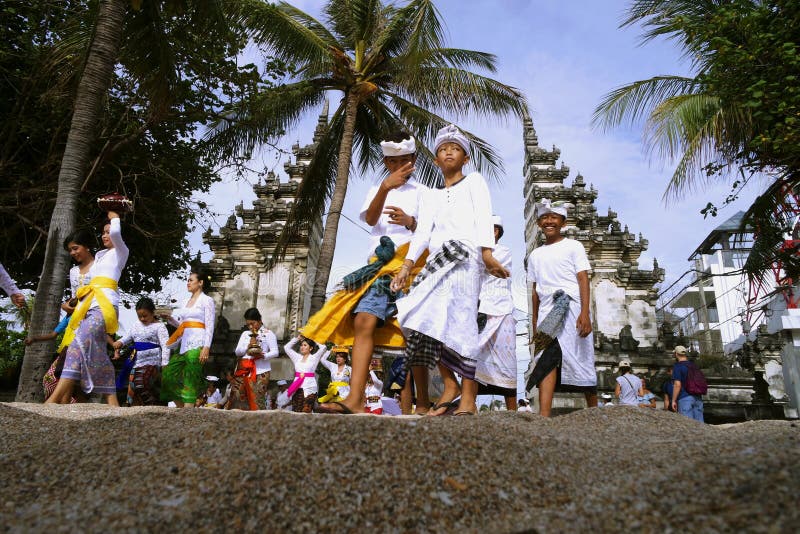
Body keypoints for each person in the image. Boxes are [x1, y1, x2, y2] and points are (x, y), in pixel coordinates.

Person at [309, 130, 430, 415]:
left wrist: (410, 221)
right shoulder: (378, 189)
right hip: (379, 267)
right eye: (391, 160)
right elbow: (372, 218)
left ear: (413, 159)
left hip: (413, 264)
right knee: (363, 320)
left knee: (418, 332)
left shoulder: (426, 194)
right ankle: (355, 399)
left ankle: (423, 401)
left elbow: (430, 233)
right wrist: (385, 188)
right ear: (385, 161)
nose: (397, 165)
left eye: (403, 159)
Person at [392, 124, 509, 417]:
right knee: (416, 316)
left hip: (466, 258)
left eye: (455, 149)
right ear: (435, 159)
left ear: (465, 158)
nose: (448, 153)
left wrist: (487, 253)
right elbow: (423, 234)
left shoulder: (475, 182)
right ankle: (449, 384)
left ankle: (467, 396)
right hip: (436, 262)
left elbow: (483, 216)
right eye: (443, 149)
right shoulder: (429, 196)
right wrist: (407, 265)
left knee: (462, 323)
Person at [46, 213, 129, 405]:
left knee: (76, 346)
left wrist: (115, 217)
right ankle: (113, 403)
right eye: (103, 233)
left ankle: (54, 399)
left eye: (108, 232)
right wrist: (72, 304)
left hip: (105, 306)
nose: (105, 236)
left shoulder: (120, 252)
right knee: (99, 357)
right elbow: (84, 288)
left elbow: (116, 234)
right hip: (89, 307)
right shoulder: (99, 257)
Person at [526, 199, 597, 417]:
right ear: (539, 223)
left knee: (580, 359)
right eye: (544, 218)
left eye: (553, 218)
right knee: (545, 359)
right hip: (547, 314)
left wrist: (585, 313)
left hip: (572, 309)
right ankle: (544, 415)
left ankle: (595, 411)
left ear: (562, 223)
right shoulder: (535, 255)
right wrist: (534, 323)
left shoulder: (574, 246)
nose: (549, 221)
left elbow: (583, 279)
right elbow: (535, 291)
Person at [475, 215, 517, 411]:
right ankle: (470, 406)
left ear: (495, 231)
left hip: (501, 309)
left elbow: (491, 266)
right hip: (480, 309)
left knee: (507, 361)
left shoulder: (504, 251)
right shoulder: (474, 252)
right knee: (474, 360)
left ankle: (512, 410)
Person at [161, 269, 216, 408]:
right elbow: (183, 325)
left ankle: (188, 412)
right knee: (168, 376)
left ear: (201, 282)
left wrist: (206, 347)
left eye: (191, 280)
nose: (188, 283)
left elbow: (210, 325)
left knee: (190, 376)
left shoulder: (207, 300)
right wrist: (170, 319)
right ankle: (182, 409)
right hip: (184, 343)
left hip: (199, 343)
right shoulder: (185, 301)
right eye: (187, 280)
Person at [112, 297, 169, 406]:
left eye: (145, 316)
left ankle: (154, 406)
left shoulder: (160, 326)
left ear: (153, 313)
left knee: (140, 384)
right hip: (136, 361)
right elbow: (127, 337)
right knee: (133, 389)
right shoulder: (135, 325)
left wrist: (165, 363)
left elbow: (165, 346)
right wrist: (120, 342)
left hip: (152, 362)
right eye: (139, 316)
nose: (142, 319)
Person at [233, 307, 279, 410]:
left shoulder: (268, 334)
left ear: (259, 320)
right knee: (238, 397)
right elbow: (237, 352)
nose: (250, 326)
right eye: (248, 324)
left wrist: (263, 356)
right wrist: (247, 346)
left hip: (261, 371)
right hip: (244, 369)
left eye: (252, 323)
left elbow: (275, 352)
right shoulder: (245, 334)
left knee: (257, 399)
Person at [284, 335, 328, 413]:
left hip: (309, 387)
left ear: (310, 348)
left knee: (306, 411)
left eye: (305, 345)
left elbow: (323, 347)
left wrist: (314, 338)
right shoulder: (297, 357)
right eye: (301, 345)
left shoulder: (314, 358)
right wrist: (298, 338)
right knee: (296, 411)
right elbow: (286, 347)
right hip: (297, 388)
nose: (302, 347)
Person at [670, 345, 704, 422]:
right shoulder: (694, 365)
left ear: (676, 354)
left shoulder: (678, 366)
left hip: (684, 397)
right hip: (698, 397)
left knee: (688, 425)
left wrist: (673, 400)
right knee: (701, 426)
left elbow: (677, 385)